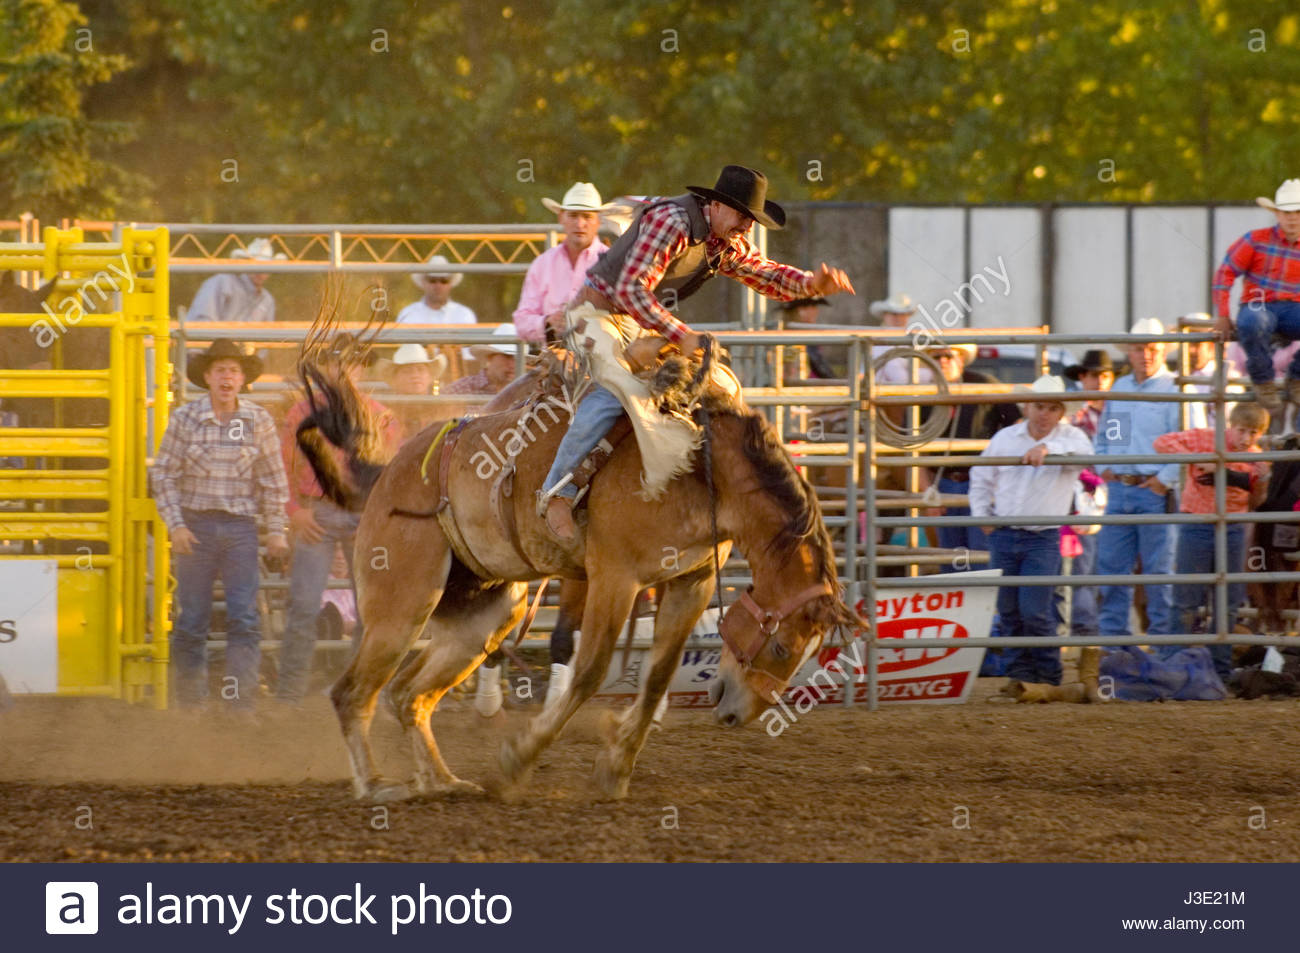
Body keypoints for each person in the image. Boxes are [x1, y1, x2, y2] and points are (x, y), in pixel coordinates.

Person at [539, 164, 855, 542]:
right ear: (718, 206)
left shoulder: (724, 241)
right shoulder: (673, 222)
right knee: (616, 385)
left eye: (752, 219)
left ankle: (696, 488)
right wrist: (680, 334)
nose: (747, 227)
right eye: (743, 215)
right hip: (594, 313)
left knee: (722, 385)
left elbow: (766, 274)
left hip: (637, 320)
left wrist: (809, 284)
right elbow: (629, 289)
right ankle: (557, 490)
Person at [150, 340, 290, 710]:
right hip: (196, 528)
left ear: (242, 378)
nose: (227, 376)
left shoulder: (257, 420)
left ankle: (239, 703)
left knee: (244, 616)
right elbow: (163, 474)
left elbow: (273, 481)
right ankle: (189, 704)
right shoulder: (185, 418)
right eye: (220, 370)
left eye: (233, 370)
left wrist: (276, 530)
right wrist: (176, 525)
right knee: (192, 619)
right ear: (208, 377)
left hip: (241, 529)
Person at [275, 335, 402, 704]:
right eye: (336, 363)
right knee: (303, 605)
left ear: (361, 370)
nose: (344, 370)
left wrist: (377, 520)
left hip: (362, 517)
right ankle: (289, 696)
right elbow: (282, 467)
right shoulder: (301, 414)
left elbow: (391, 476)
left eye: (351, 363)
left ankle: (355, 692)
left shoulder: (382, 418)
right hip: (318, 515)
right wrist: (294, 512)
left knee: (368, 610)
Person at [970, 375, 1093, 685]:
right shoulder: (1006, 438)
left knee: (1034, 610)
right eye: (1039, 406)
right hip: (1006, 531)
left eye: (1052, 408)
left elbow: (1085, 454)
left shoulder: (1071, 438)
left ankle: (1048, 676)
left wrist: (1047, 447)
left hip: (1043, 535)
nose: (1044, 414)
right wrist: (983, 514)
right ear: (1027, 406)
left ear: (1061, 412)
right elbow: (981, 476)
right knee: (1010, 610)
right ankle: (1021, 676)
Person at [1154, 403, 1270, 680]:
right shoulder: (1206, 438)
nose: (1246, 438)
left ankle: (1219, 669)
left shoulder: (1257, 457)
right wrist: (1201, 458)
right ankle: (1173, 666)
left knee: (1227, 600)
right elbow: (1162, 443)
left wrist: (1256, 479)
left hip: (1232, 526)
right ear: (1231, 425)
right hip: (1198, 523)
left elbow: (1258, 499)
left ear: (1260, 434)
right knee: (1186, 597)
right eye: (1242, 430)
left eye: (1253, 433)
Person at [1093, 318, 1182, 641]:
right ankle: (1113, 642)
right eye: (1139, 348)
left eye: (1152, 349)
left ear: (1162, 352)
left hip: (1153, 489)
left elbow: (1185, 441)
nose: (1146, 354)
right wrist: (1105, 462)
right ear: (1130, 352)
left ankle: (1163, 643)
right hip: (1122, 488)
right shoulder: (1121, 388)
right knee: (1112, 570)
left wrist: (1165, 479)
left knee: (1160, 573)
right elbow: (1109, 433)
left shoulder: (1174, 388)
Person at [920, 342, 1021, 562]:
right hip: (942, 484)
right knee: (949, 556)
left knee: (981, 554)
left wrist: (1001, 473)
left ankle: (982, 594)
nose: (943, 361)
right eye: (936, 357)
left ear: (961, 359)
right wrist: (928, 493)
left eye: (949, 355)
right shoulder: (922, 393)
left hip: (981, 481)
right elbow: (915, 451)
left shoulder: (983, 385)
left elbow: (1017, 424)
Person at [1213, 178, 1300, 411]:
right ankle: (1263, 381)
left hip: (1294, 309)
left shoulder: (1256, 240)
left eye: (1297, 211)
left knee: (1254, 320)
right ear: (1277, 214)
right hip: (1259, 305)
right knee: (1253, 321)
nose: (1292, 217)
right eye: (1286, 212)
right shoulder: (1255, 239)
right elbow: (1225, 273)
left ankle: (1296, 377)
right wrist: (1222, 314)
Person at [514, 182, 613, 345]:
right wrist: (547, 323)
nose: (580, 224)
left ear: (598, 221)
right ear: (561, 218)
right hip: (553, 359)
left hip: (601, 359)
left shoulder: (611, 261)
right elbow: (521, 321)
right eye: (573, 215)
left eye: (587, 216)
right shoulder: (543, 263)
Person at [1063, 349, 1115, 640]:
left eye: (1105, 375)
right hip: (1081, 493)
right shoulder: (1072, 412)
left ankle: (1098, 624)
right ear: (1083, 377)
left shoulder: (1116, 411)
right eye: (1094, 375)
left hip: (1107, 491)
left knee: (1107, 560)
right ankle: (1086, 625)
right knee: (1084, 561)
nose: (1099, 381)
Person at [185, 238, 287, 323]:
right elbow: (202, 320)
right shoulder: (222, 283)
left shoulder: (267, 300)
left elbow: (266, 341)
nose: (260, 271)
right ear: (246, 263)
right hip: (214, 345)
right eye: (256, 265)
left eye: (266, 268)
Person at [380, 342, 448, 438]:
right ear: (395, 378)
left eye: (420, 369)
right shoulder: (384, 410)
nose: (415, 375)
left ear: (429, 376)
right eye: (407, 371)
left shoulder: (443, 409)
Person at [869, 293, 933, 385]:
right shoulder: (879, 342)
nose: (898, 318)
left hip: (893, 393)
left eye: (903, 314)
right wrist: (932, 373)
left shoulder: (909, 339)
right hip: (886, 394)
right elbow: (900, 378)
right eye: (894, 314)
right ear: (885, 315)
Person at [442, 323, 521, 397]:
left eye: (517, 358)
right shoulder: (458, 390)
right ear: (490, 356)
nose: (512, 365)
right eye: (507, 356)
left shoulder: (525, 393)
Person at [778, 297, 835, 379]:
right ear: (800, 310)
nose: (816, 311)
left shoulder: (801, 335)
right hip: (806, 386)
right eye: (813, 307)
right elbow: (820, 369)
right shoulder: (798, 337)